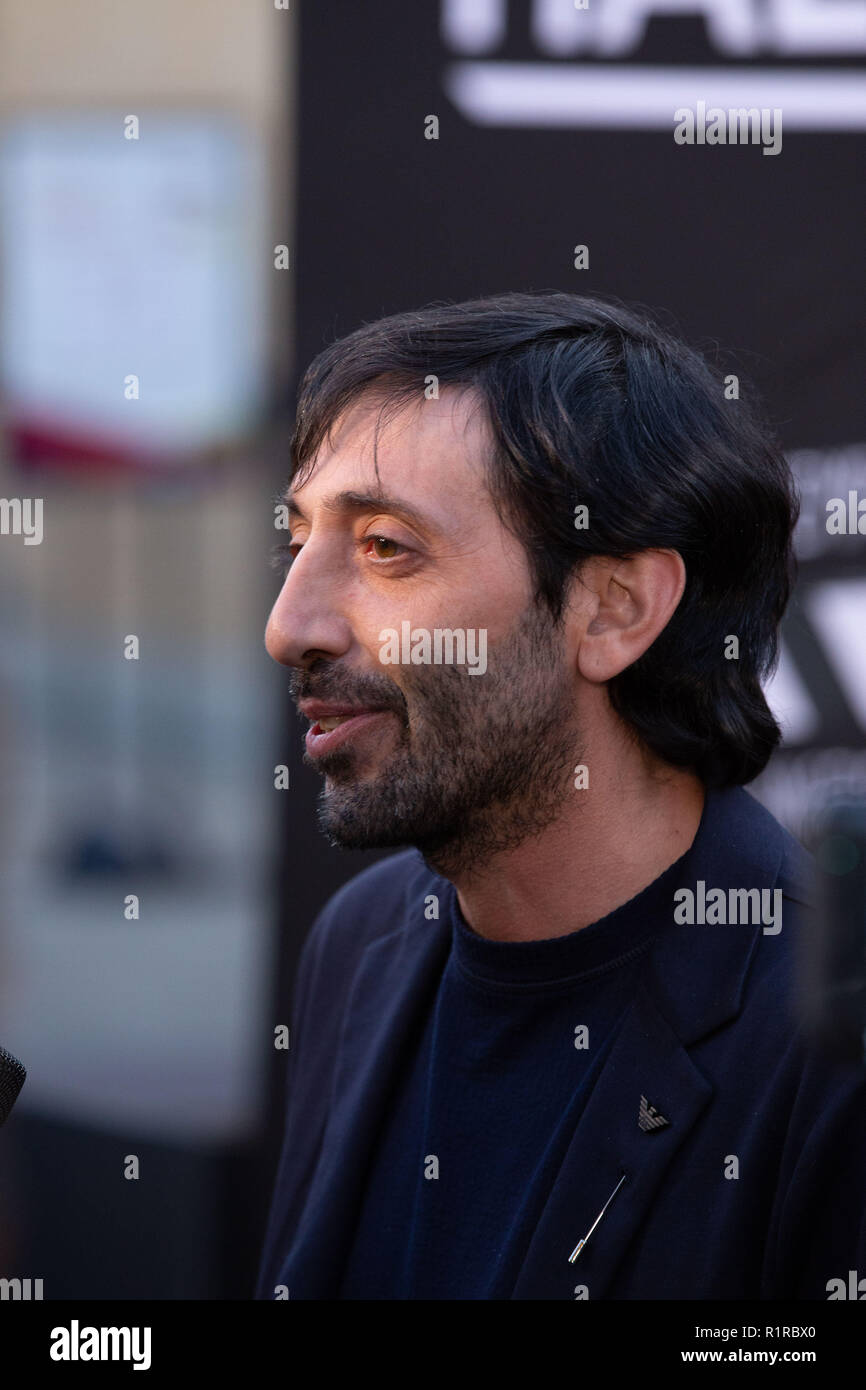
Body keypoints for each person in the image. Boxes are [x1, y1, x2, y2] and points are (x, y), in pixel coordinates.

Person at [255, 291, 866, 1300]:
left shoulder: (820, 1041)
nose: (291, 624)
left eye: (385, 549)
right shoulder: (361, 943)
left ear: (613, 609)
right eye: (298, 542)